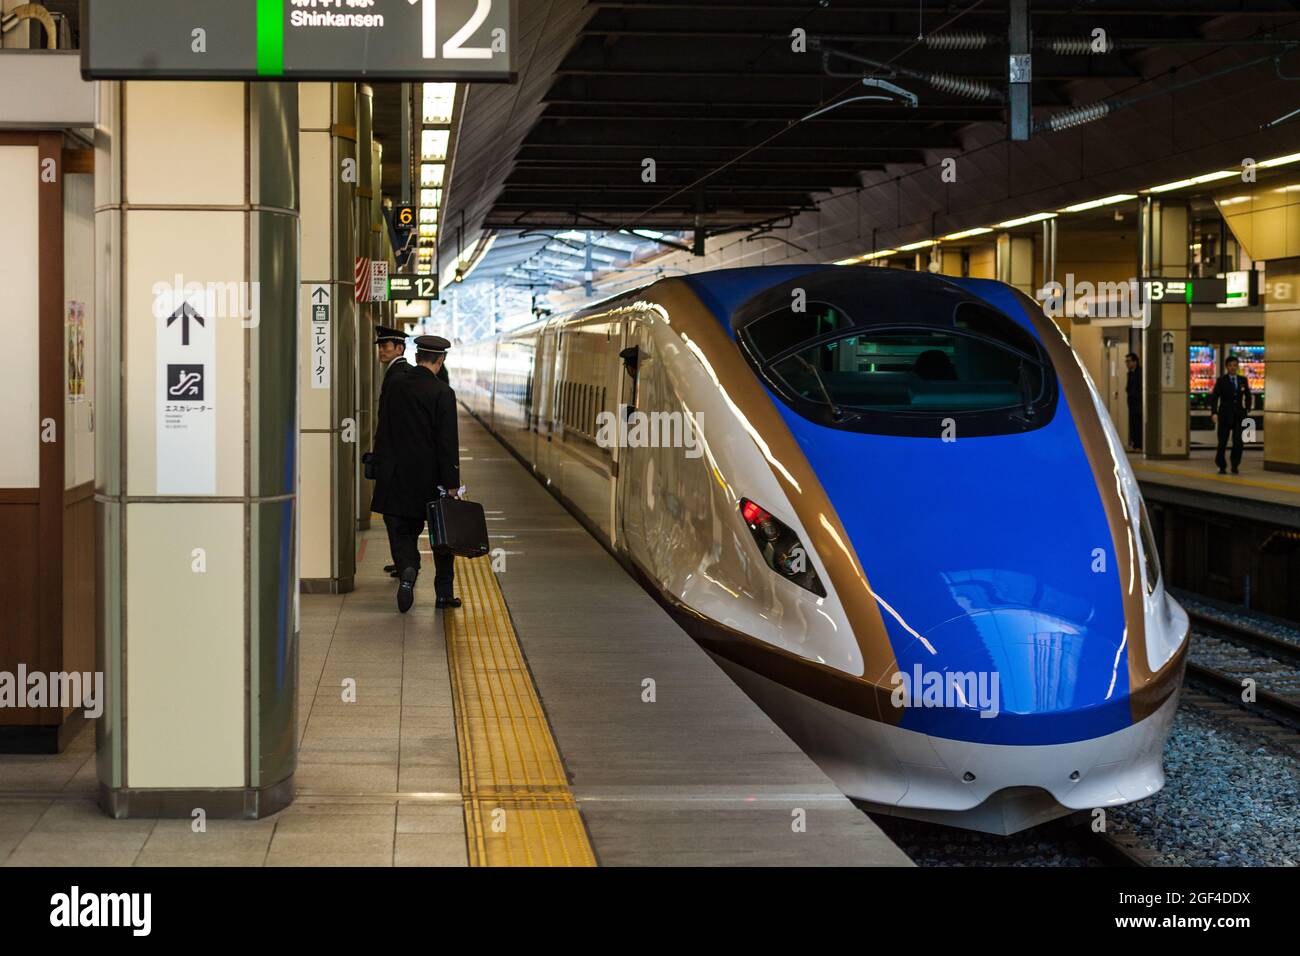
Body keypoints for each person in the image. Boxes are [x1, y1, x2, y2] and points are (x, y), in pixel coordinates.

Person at [370, 335, 462, 613]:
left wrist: (381, 467)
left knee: (402, 532)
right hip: (431, 482)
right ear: (440, 359)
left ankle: (408, 571)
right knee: (442, 537)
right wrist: (452, 483)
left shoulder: (396, 385)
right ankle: (444, 594)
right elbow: (447, 443)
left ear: (418, 355)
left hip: (397, 479)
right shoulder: (443, 393)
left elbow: (382, 428)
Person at [374, 325, 412, 578]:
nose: (381, 350)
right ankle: (402, 562)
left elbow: (392, 423)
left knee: (394, 515)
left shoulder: (398, 376)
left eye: (386, 346)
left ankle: (406, 564)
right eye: (379, 346)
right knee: (395, 515)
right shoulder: (398, 373)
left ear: (399, 348)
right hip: (399, 460)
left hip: (396, 461)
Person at [1211, 354, 1252, 475]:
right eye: (1230, 366)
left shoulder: (1243, 380)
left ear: (1237, 366)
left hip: (1239, 415)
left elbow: (1248, 395)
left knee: (1239, 441)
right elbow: (1215, 397)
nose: (1233, 368)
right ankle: (1221, 465)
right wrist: (1214, 412)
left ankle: (1235, 465)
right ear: (1226, 367)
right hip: (1224, 415)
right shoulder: (1221, 381)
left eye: (1235, 365)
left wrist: (1248, 407)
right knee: (1222, 442)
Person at [1125, 352, 1142, 451]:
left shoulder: (1140, 373)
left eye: (1128, 361)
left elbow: (1138, 389)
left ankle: (1139, 445)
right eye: (1126, 361)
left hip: (1138, 404)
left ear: (1135, 362)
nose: (1127, 363)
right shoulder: (1130, 373)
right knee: (1133, 424)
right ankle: (1135, 444)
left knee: (1138, 424)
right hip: (1132, 404)